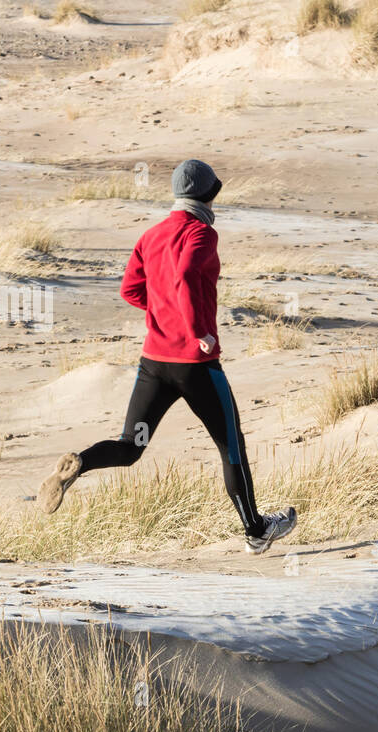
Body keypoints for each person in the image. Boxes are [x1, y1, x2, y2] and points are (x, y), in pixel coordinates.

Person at [37, 158, 297, 555]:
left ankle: (81, 463)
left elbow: (130, 290)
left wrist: (163, 312)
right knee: (231, 447)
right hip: (197, 367)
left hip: (154, 366)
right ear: (209, 195)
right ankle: (256, 530)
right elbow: (186, 276)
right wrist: (197, 332)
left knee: (130, 447)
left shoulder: (152, 234)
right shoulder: (201, 234)